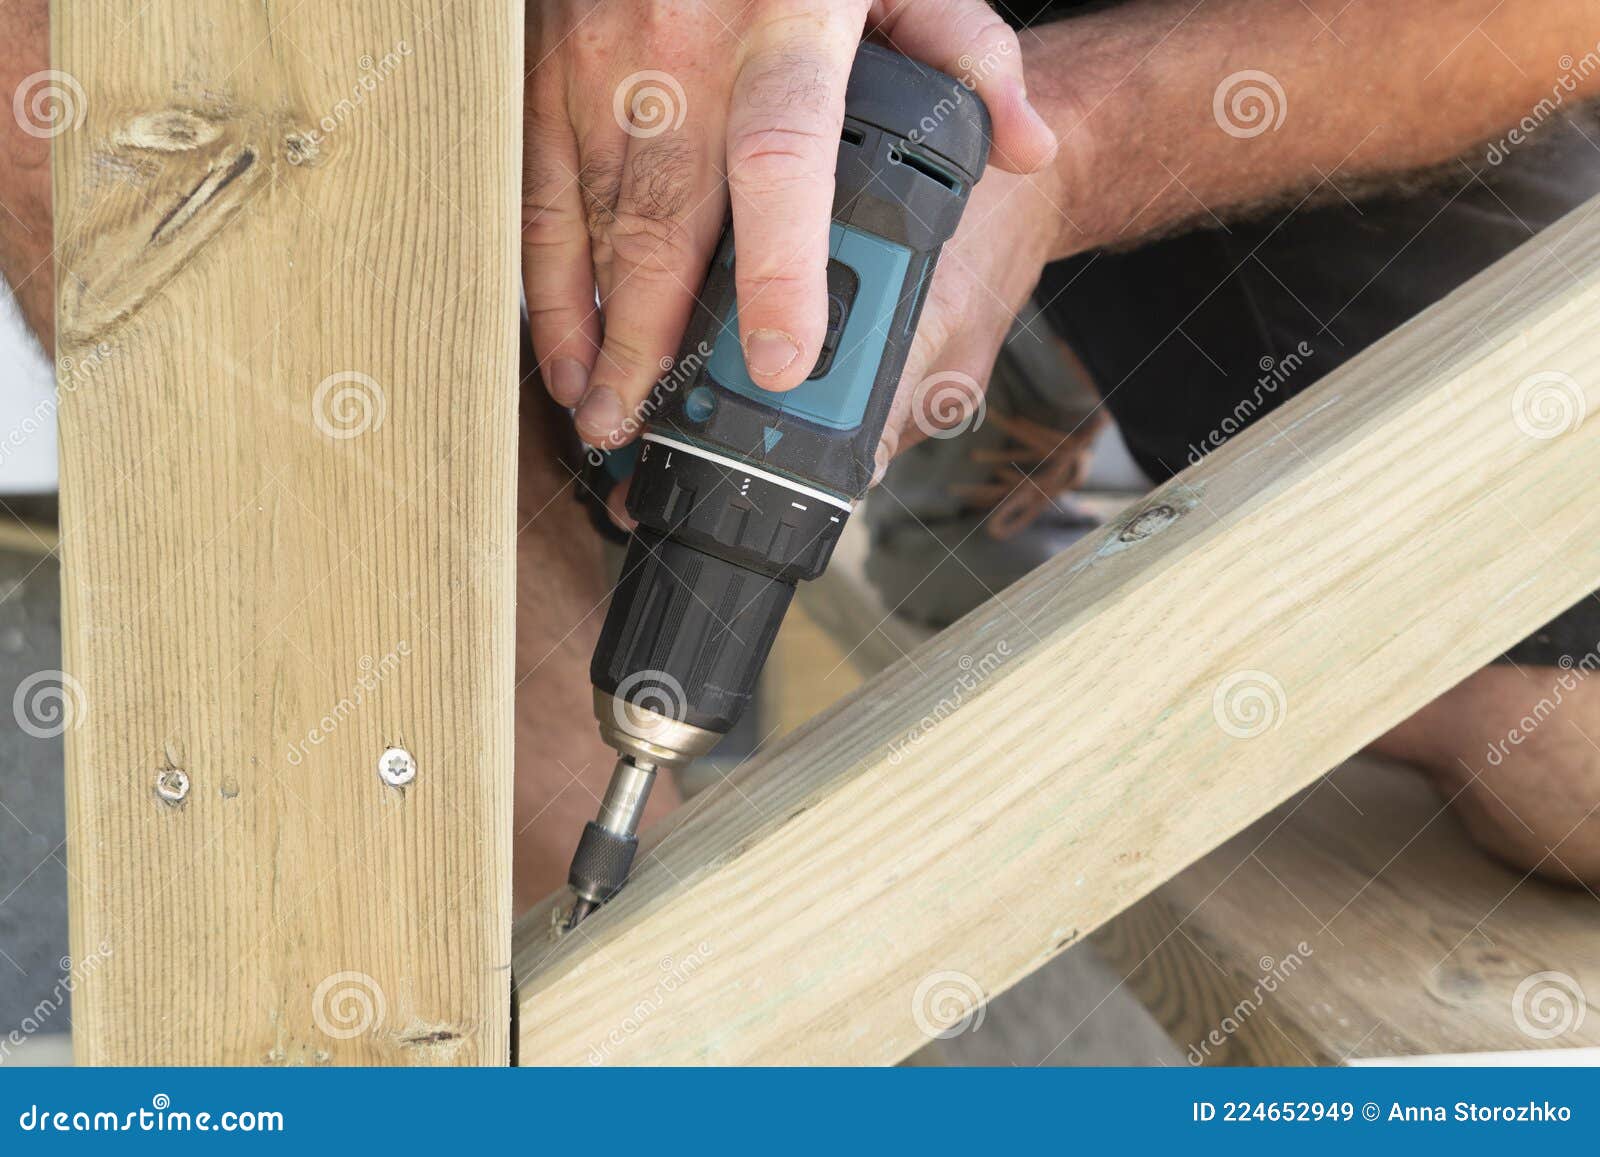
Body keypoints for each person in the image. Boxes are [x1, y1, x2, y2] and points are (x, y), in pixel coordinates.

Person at [3, 2, 1596, 911]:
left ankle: (1091, 518)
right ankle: (585, 953)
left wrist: (1052, 151)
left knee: (1575, 758)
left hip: (1187, 34)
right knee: (88, 47)